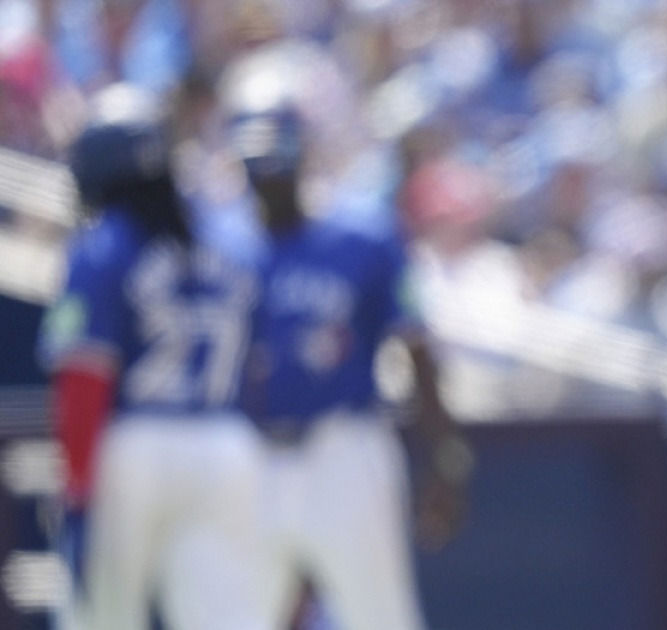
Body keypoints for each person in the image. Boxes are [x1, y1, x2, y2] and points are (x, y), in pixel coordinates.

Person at [215, 51, 473, 630]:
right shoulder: (218, 243)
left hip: (343, 445)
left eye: (278, 160)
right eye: (258, 163)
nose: (270, 177)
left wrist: (444, 461)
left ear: (303, 153)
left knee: (378, 615)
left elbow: (418, 349)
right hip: (247, 453)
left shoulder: (363, 235)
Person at [37, 83, 266, 630]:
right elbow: (259, 366)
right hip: (226, 443)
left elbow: (84, 379)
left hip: (134, 445)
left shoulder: (101, 246)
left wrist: (76, 491)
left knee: (102, 619)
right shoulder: (229, 240)